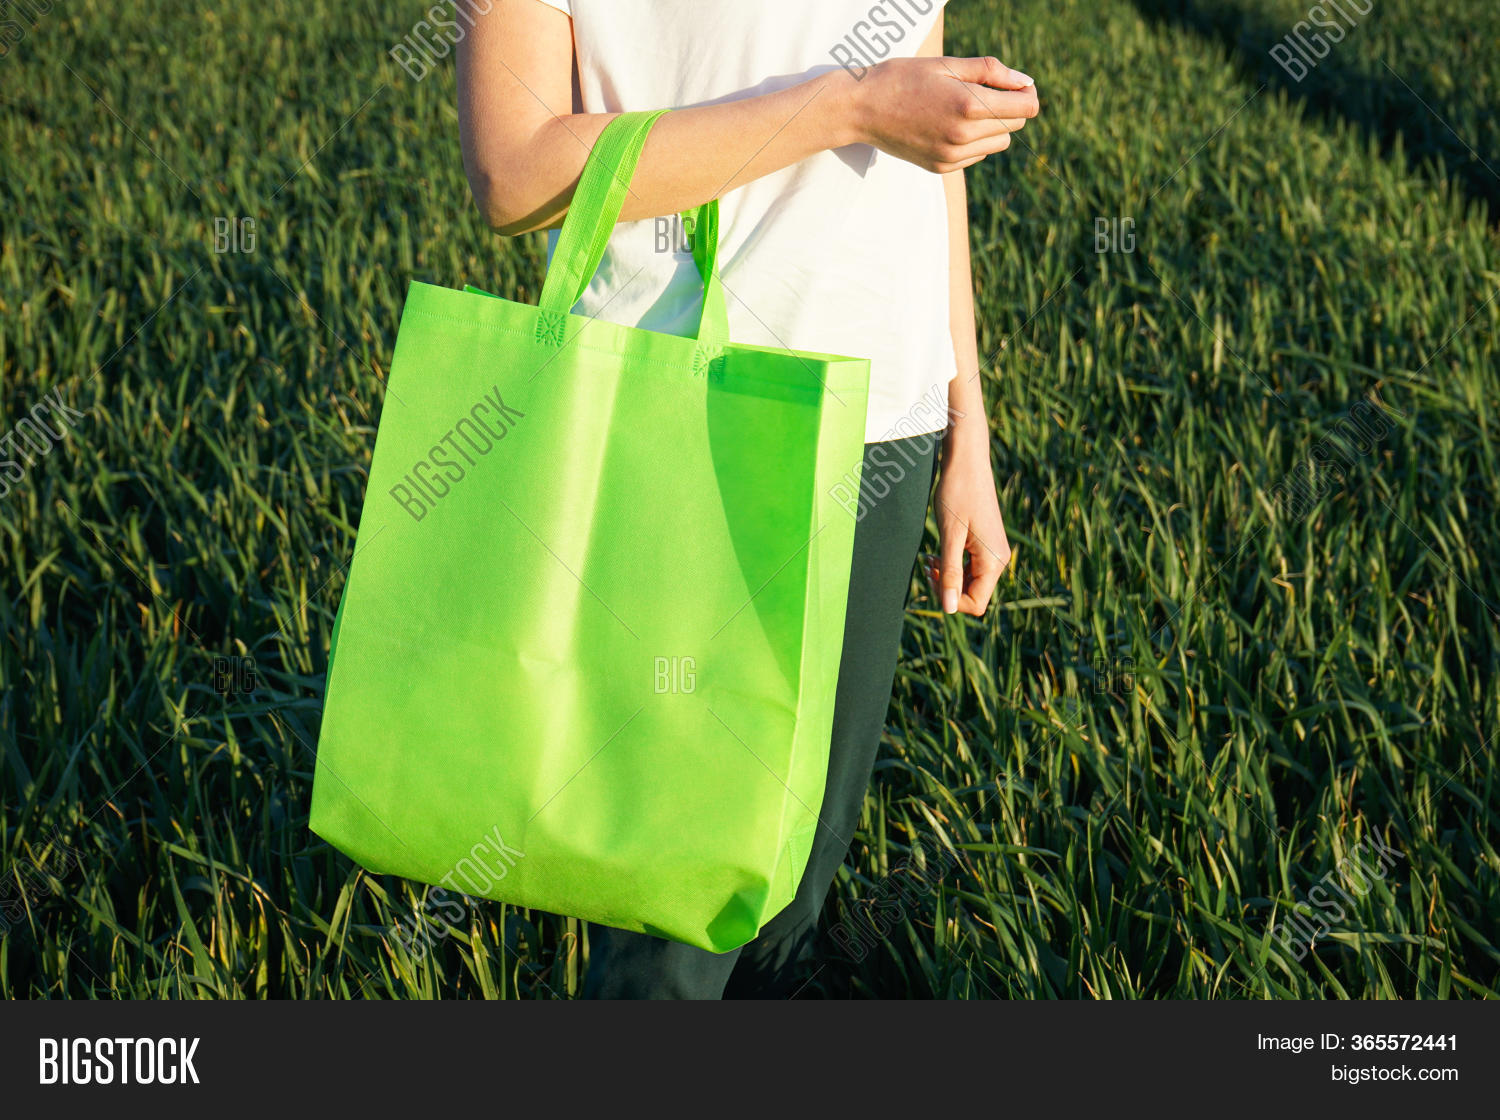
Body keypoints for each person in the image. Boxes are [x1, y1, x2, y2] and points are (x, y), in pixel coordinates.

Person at [455, 0, 1035, 998]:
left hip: (881, 419)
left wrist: (965, 421)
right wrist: (845, 108)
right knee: (673, 919)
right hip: (683, 413)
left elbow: (930, 156)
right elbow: (516, 174)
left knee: (797, 877)